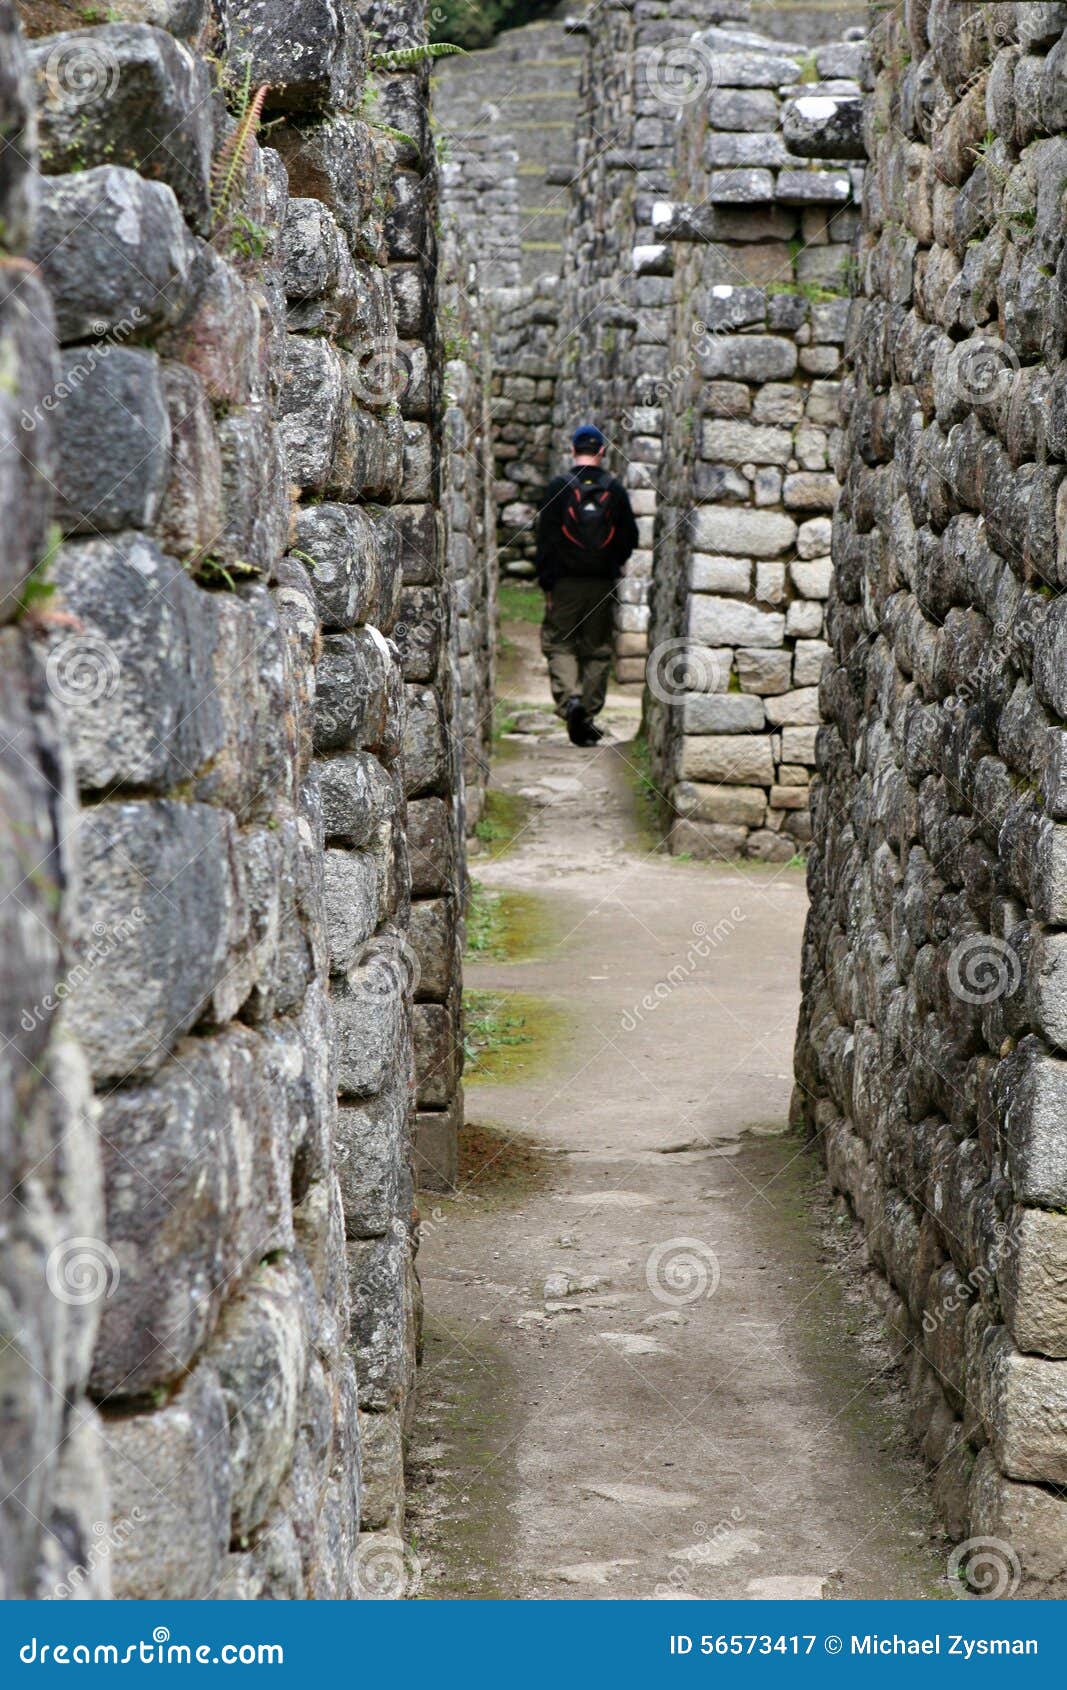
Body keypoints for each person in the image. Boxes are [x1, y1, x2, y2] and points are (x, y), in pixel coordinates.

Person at [534, 424, 639, 747]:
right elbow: (629, 538)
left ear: (572, 450)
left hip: (564, 582)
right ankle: (589, 715)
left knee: (560, 643)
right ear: (602, 451)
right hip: (601, 583)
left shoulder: (557, 487)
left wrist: (548, 584)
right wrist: (611, 565)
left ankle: (570, 703)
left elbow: (545, 540)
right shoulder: (615, 490)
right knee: (597, 650)